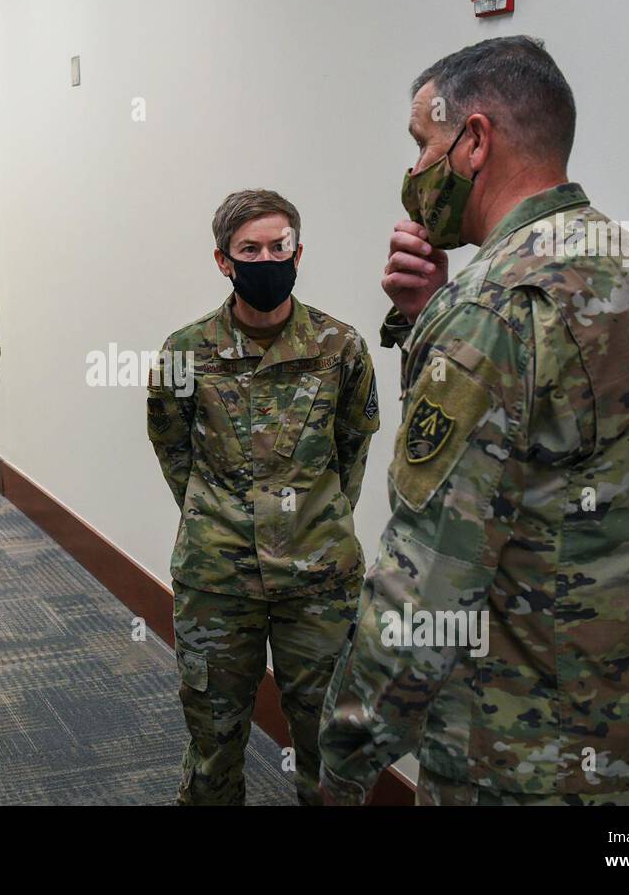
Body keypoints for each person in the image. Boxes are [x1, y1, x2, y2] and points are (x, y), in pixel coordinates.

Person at [319, 36, 629, 806]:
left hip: (526, 758)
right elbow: (572, 458)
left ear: (474, 141)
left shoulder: (492, 306)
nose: (415, 171)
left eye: (422, 142)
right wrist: (431, 321)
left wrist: (344, 758)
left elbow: (427, 578)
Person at [147, 189, 379, 804]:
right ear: (223, 260)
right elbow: (173, 448)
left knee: (330, 744)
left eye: (280, 247)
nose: (267, 260)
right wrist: (219, 517)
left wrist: (316, 522)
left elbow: (352, 450)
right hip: (218, 579)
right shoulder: (185, 351)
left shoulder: (341, 347)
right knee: (213, 746)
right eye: (250, 250)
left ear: (299, 254)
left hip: (319, 580)